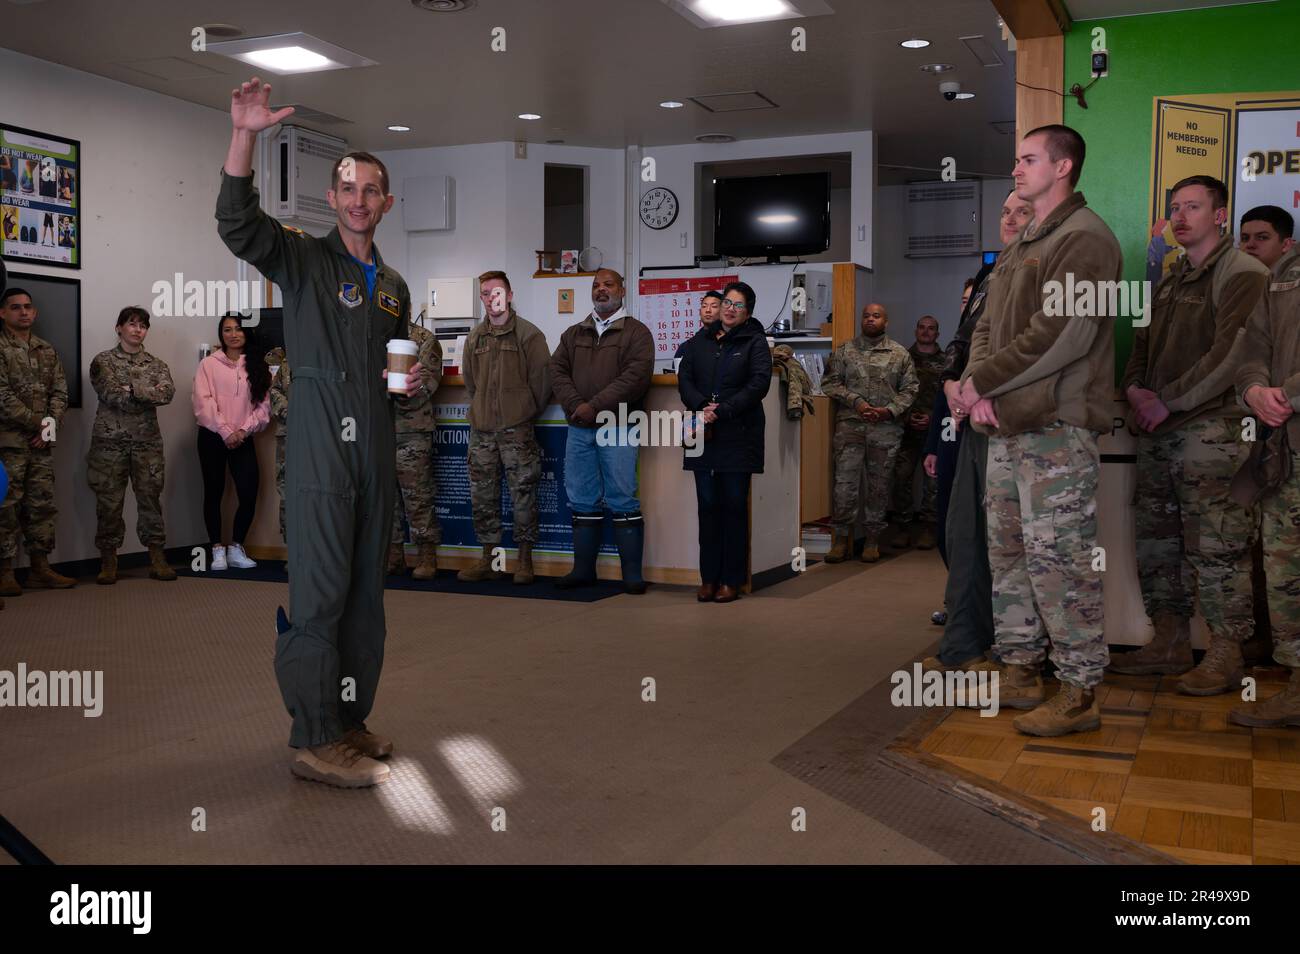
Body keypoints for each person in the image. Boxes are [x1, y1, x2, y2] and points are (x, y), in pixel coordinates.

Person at [217, 77, 421, 788]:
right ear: (331, 199)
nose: (359, 199)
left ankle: (347, 718)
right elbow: (238, 226)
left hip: (376, 444)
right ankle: (311, 736)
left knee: (367, 596)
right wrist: (246, 134)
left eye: (372, 189)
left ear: (386, 202)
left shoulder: (393, 283)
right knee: (323, 593)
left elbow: (391, 362)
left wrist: (411, 379)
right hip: (319, 446)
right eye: (347, 188)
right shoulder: (303, 260)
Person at [952, 124, 1121, 736]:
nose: (1017, 170)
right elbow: (988, 328)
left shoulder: (1086, 238)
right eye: (1017, 160)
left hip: (1056, 426)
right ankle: (1021, 668)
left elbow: (1064, 333)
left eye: (1028, 160)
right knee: (1011, 554)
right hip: (1006, 426)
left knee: (1063, 561)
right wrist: (978, 385)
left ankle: (1080, 691)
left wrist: (983, 384)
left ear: (1064, 166)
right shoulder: (1025, 239)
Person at [1109, 175, 1269, 693]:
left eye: (1193, 207)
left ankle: (1227, 653)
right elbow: (1141, 340)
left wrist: (1166, 401)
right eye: (1175, 208)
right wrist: (1134, 389)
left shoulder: (1242, 272)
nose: (1180, 217)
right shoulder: (1172, 277)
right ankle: (1170, 641)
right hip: (1157, 432)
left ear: (1220, 216)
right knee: (1158, 546)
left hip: (1210, 434)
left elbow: (1232, 357)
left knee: (1218, 547)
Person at [922, 190, 1033, 656]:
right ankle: (964, 641)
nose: (1009, 219)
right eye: (1004, 211)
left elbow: (1031, 345)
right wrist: (951, 383)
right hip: (967, 415)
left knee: (1007, 544)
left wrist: (976, 387)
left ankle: (1016, 652)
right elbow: (964, 339)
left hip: (1008, 417)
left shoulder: (1039, 267)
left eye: (1021, 211)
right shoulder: (991, 273)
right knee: (961, 533)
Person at [550, 268, 655, 594]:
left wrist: (592, 406)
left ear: (622, 291)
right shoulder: (573, 333)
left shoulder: (637, 333)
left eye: (608, 285)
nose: (601, 290)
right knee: (581, 499)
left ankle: (632, 577)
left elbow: (635, 378)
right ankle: (583, 572)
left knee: (622, 498)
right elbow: (556, 370)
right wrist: (575, 405)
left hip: (619, 426)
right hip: (580, 428)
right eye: (596, 285)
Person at [1231, 240, 1300, 729]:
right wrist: (1255, 389)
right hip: (1285, 454)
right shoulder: (1287, 270)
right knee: (1285, 575)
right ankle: (1297, 687)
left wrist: (1291, 393)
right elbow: (1251, 344)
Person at [677, 280, 772, 603]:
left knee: (733, 507)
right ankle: (708, 578)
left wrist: (724, 410)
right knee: (707, 506)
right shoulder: (697, 342)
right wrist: (702, 407)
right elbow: (684, 379)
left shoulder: (755, 341)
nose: (730, 310)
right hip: (702, 431)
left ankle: (731, 580)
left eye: (738, 306)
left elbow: (759, 383)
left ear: (748, 313)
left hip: (738, 433)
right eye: (727, 304)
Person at [459, 270, 550, 585]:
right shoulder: (474, 337)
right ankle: (489, 559)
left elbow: (541, 384)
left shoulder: (529, 335)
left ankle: (525, 561)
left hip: (517, 431)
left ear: (509, 295)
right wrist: (485, 408)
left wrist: (521, 410)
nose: (491, 297)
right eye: (485, 293)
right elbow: (470, 383)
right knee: (482, 497)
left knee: (523, 495)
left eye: (496, 291)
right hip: (482, 432)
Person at [821, 303, 918, 563]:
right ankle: (841, 539)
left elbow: (910, 390)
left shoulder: (900, 354)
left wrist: (889, 411)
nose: (870, 320)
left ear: (885, 322)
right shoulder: (845, 351)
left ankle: (872, 540)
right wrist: (856, 401)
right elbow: (830, 382)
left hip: (885, 429)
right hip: (851, 426)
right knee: (844, 485)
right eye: (866, 316)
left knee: (879, 486)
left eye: (876, 316)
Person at [86, 306, 177, 585]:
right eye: (132, 324)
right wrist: (144, 393)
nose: (138, 329)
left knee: (150, 501)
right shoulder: (102, 361)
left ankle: (157, 559)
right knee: (109, 504)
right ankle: (108, 561)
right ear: (119, 328)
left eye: (143, 325)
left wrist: (133, 389)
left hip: (146, 443)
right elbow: (112, 394)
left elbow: (168, 393)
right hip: (109, 444)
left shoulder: (157, 364)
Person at [0, 286, 73, 596]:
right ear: (2, 313)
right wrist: (38, 423)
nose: (24, 312)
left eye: (28, 307)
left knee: (41, 505)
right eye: (16, 307)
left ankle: (39, 569)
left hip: (41, 443)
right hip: (8, 443)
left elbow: (60, 393)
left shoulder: (47, 349)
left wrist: (48, 426)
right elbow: (2, 397)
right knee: (6, 507)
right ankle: (4, 572)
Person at [193, 314, 271, 571]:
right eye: (227, 330)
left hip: (243, 438)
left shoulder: (257, 365)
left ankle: (236, 547)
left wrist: (243, 431)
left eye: (238, 329)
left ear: (246, 333)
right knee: (213, 493)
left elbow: (263, 408)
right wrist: (226, 431)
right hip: (213, 437)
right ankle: (216, 549)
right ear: (221, 334)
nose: (233, 334)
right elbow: (203, 403)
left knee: (249, 493)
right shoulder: (208, 364)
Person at [388, 317, 443, 580]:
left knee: (418, 496)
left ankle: (426, 555)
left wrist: (394, 393)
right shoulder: (373, 335)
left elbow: (427, 384)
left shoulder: (424, 339)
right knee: (385, 500)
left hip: (412, 432)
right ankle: (393, 556)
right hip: (379, 430)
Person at [884, 315, 944, 551]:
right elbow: (892, 393)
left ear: (937, 334)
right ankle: (903, 528)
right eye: (922, 327)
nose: (926, 332)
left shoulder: (947, 361)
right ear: (915, 330)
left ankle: (929, 528)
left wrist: (931, 418)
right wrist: (908, 417)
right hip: (906, 429)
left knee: (934, 482)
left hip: (935, 431)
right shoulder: (902, 359)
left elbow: (948, 396)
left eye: (931, 329)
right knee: (901, 479)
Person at [266, 346, 291, 557]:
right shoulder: (288, 360)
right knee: (288, 492)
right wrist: (291, 411)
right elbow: (275, 390)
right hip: (289, 432)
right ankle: (293, 550)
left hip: (323, 435)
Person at [1238, 205, 1295, 276]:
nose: (1250, 245)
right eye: (1245, 238)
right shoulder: (1229, 278)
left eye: (1262, 237)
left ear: (1286, 245)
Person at [674, 290, 723, 360]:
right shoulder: (687, 346)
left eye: (714, 306)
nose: (708, 310)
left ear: (723, 312)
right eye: (704, 306)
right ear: (700, 312)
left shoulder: (728, 342)